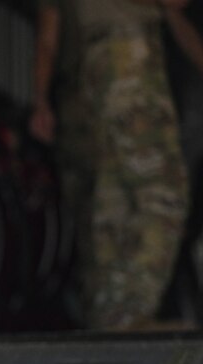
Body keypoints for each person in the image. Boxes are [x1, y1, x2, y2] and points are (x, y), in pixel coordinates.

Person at [30, 0, 190, 330]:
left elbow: (48, 35)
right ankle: (133, 310)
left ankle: (111, 311)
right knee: (163, 188)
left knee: (114, 189)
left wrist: (41, 99)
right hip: (131, 56)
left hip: (94, 67)